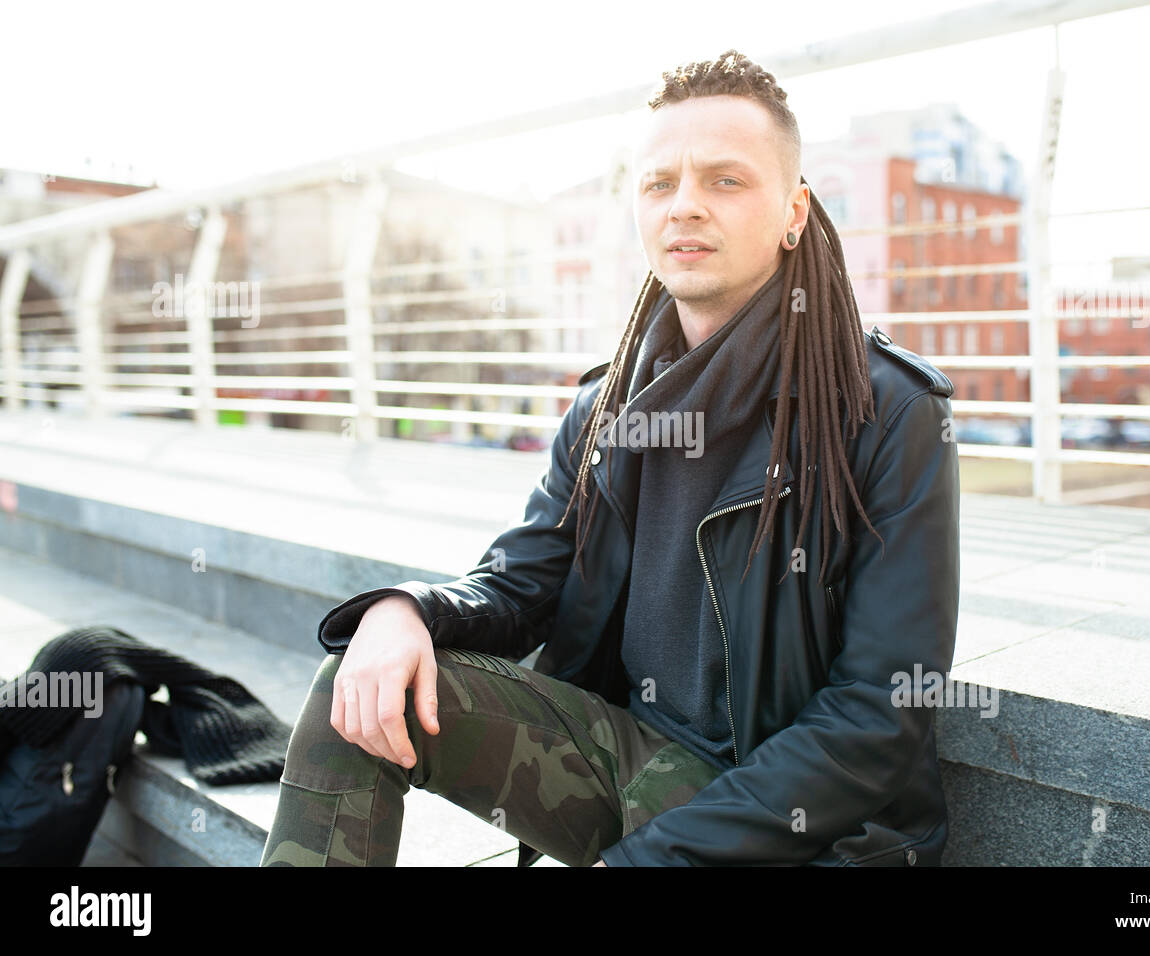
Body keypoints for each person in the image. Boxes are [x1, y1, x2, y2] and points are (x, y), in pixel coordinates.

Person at [260, 48, 959, 868]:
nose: (685, 207)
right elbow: (521, 584)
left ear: (794, 211)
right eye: (660, 183)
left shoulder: (889, 410)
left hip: (807, 830)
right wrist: (405, 610)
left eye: (726, 181)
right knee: (363, 686)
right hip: (635, 769)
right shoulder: (605, 411)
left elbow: (878, 713)